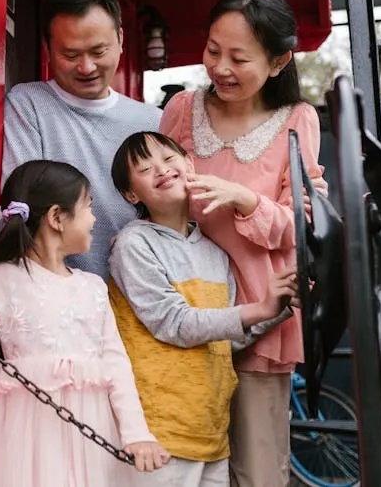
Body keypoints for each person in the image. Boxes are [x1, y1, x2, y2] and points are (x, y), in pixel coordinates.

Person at [159, 0, 328, 487]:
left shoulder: (298, 120)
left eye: (239, 57)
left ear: (278, 62)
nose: (220, 67)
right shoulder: (182, 108)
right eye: (213, 50)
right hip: (182, 305)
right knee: (176, 462)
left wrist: (247, 200)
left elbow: (308, 220)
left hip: (262, 310)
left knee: (255, 468)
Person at [0, 159, 170, 487]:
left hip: (90, 435)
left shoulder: (92, 286)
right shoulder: (4, 279)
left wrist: (136, 433)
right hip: (24, 439)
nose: (94, 218)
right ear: (58, 217)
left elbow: (116, 366)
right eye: (88, 207)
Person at [107, 131, 298, 487]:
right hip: (159, 429)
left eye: (167, 159)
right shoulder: (134, 244)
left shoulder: (214, 251)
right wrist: (260, 308)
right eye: (145, 168)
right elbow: (174, 324)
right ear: (131, 194)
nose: (161, 170)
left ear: (190, 164)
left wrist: (282, 306)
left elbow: (223, 341)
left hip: (211, 431)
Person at [1, 0, 162, 280]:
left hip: (142, 297)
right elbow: (20, 210)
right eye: (71, 55)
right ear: (47, 48)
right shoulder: (29, 105)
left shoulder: (153, 122)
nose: (86, 67)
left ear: (121, 39)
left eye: (98, 51)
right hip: (58, 293)